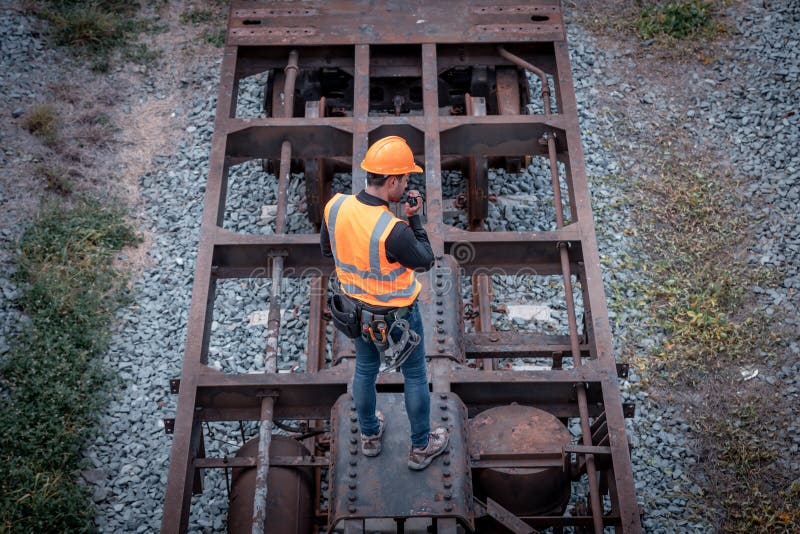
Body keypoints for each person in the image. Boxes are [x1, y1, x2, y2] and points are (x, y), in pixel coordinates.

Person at [320, 135, 449, 470]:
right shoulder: (394, 230)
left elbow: (327, 249)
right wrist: (415, 220)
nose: (407, 184)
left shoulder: (335, 206)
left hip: (355, 314)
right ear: (391, 181)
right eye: (405, 179)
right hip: (397, 319)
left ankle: (369, 434)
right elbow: (425, 261)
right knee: (416, 375)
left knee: (364, 369)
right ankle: (421, 446)